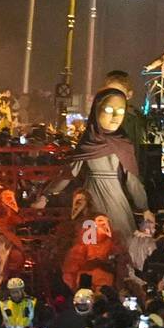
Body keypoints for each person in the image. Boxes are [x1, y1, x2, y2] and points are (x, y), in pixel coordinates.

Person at [49, 88, 147, 243]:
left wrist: (144, 207)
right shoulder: (88, 141)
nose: (115, 117)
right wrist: (47, 194)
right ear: (96, 110)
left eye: (120, 111)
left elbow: (132, 180)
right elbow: (70, 172)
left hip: (116, 200)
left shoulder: (124, 143)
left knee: (119, 240)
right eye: (109, 110)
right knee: (91, 241)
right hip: (92, 198)